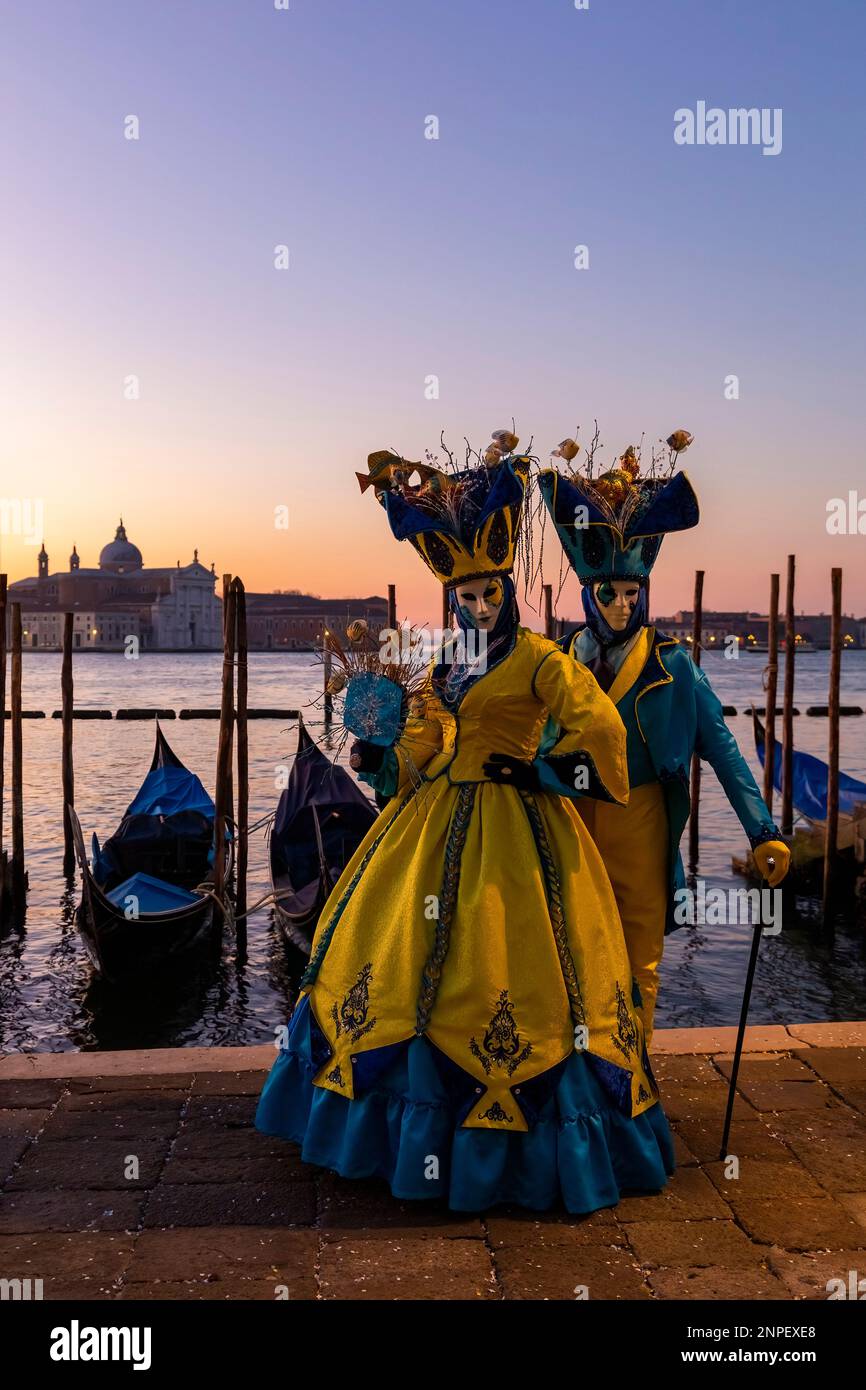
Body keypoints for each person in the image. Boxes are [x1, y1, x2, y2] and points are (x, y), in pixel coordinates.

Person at [256, 445, 674, 1213]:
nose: (479, 610)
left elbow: (602, 732)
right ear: (451, 601)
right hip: (434, 818)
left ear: (508, 590)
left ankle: (518, 1146)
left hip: (523, 826)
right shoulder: (446, 669)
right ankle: (402, 1133)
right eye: (467, 599)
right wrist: (383, 747)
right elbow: (425, 745)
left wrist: (544, 774)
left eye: (489, 594)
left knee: (513, 964)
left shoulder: (544, 660)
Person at [533, 435, 790, 1044]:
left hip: (641, 818)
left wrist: (762, 831)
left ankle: (632, 1074)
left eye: (632, 594)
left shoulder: (675, 667)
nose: (623, 606)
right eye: (609, 594)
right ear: (588, 596)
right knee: (566, 951)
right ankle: (579, 1076)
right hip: (569, 819)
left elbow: (723, 749)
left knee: (638, 955)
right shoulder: (558, 663)